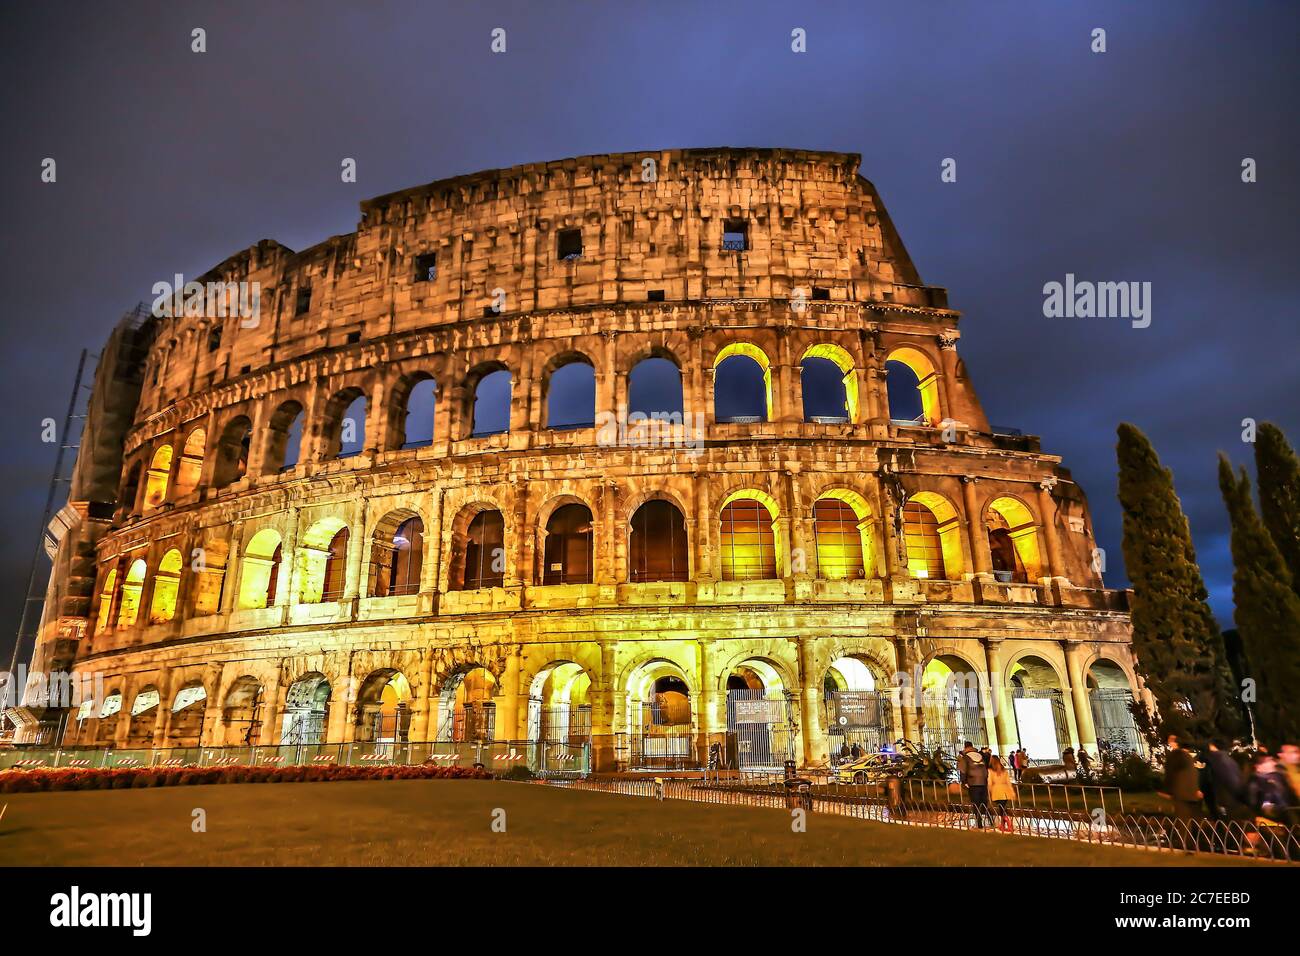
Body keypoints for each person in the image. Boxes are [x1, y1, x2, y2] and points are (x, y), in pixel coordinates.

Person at [1201, 740, 1249, 822]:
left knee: (1228, 826)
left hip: (1226, 800)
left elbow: (1232, 782)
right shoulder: (1225, 759)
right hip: (1227, 800)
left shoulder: (1219, 759)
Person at [1159, 735, 1202, 822]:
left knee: (1184, 822)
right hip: (1194, 793)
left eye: (1171, 741)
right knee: (1195, 820)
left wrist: (1166, 791)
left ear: (1175, 743)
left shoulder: (1176, 755)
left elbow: (1170, 773)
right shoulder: (1189, 756)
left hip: (1181, 793)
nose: (1169, 744)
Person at [958, 740, 991, 828]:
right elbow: (986, 768)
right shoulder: (980, 755)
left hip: (972, 783)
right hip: (983, 782)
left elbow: (962, 771)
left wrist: (964, 782)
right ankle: (990, 819)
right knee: (984, 802)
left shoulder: (965, 757)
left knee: (976, 803)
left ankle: (979, 822)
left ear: (965, 747)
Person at [988, 754, 1017, 832]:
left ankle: (1007, 822)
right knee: (1002, 808)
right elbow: (1008, 782)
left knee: (1001, 809)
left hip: (996, 791)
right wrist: (1012, 792)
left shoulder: (991, 771)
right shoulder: (1004, 770)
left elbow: (990, 782)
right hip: (1005, 790)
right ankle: (1003, 825)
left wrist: (989, 791)